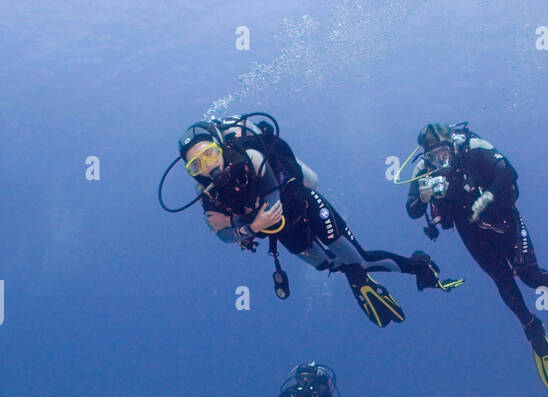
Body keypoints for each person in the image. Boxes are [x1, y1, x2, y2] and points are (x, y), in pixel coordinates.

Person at [173, 113, 459, 328]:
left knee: (357, 259)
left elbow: (272, 207)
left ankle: (420, 266)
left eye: (209, 154)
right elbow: (222, 234)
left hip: (305, 205)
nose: (208, 167)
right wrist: (248, 229)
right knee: (328, 266)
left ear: (219, 147)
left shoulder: (251, 157)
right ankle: (356, 276)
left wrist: (247, 229)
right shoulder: (207, 194)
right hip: (283, 232)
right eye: (196, 164)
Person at [402, 122, 548, 397]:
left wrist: (487, 196)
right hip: (470, 230)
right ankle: (531, 327)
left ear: (452, 145)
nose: (440, 161)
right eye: (434, 156)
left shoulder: (471, 147)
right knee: (501, 279)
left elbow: (509, 172)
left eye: (444, 153)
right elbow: (412, 211)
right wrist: (423, 198)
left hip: (504, 218)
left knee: (527, 274)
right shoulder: (422, 170)